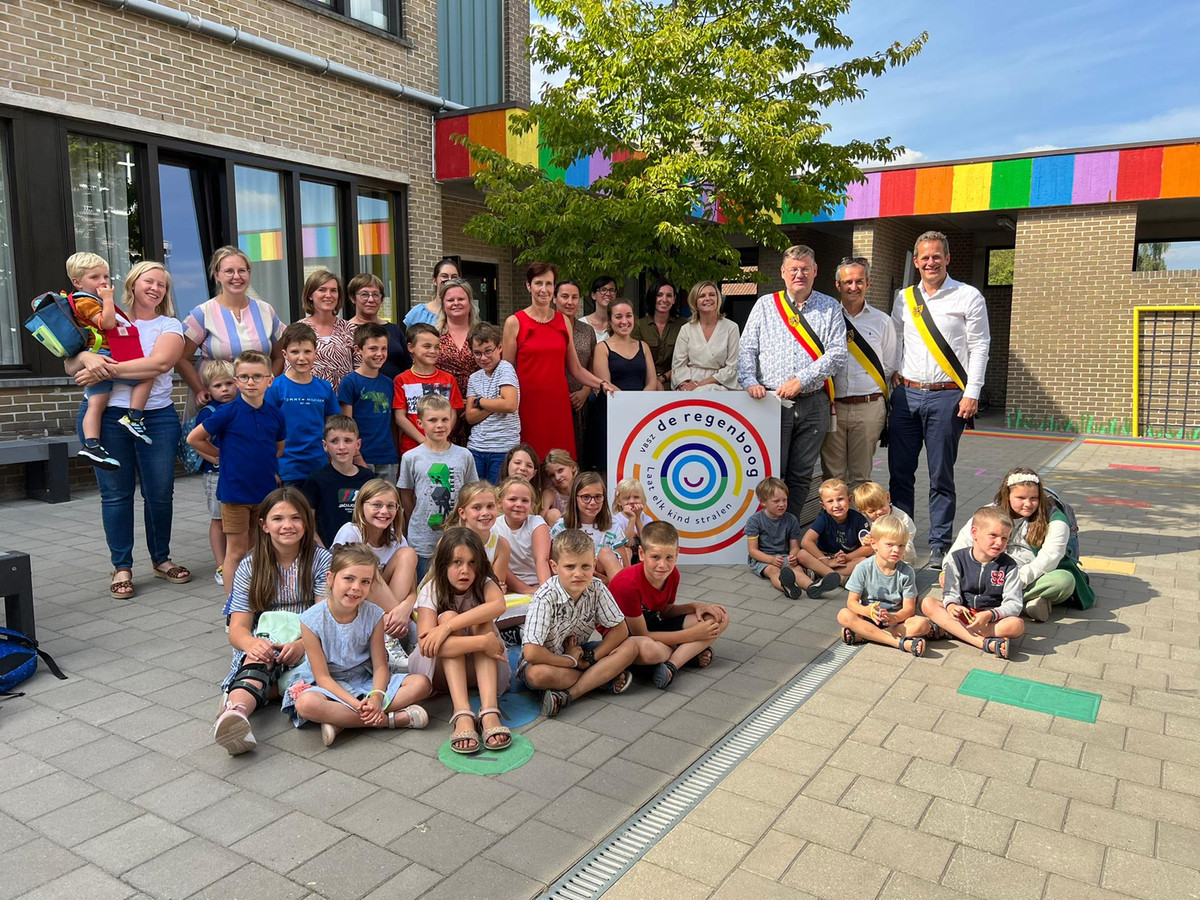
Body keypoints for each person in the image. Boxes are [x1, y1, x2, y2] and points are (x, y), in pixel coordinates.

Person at [70, 262, 190, 599]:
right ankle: (121, 566)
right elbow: (69, 361)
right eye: (149, 281)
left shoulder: (170, 324)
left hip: (156, 418)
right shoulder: (107, 315)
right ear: (134, 284)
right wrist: (85, 357)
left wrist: (104, 367)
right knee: (115, 494)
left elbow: (160, 363)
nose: (155, 288)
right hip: (107, 416)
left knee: (159, 492)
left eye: (162, 285)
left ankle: (161, 559)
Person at [889, 230, 991, 569]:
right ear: (916, 262)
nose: (930, 262)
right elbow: (896, 343)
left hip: (947, 397)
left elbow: (979, 347)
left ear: (947, 258)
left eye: (936, 256)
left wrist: (972, 391)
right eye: (924, 257)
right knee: (900, 473)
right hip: (906, 395)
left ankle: (938, 544)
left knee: (940, 475)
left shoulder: (968, 296)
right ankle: (901, 539)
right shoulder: (903, 298)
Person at [212, 488, 331, 755]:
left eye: (295, 518)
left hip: (310, 637)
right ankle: (237, 714)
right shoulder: (249, 566)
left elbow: (325, 617)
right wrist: (252, 643)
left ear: (306, 523)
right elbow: (238, 628)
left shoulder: (322, 561)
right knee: (260, 657)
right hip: (267, 637)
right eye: (278, 519)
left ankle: (240, 695)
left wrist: (302, 644)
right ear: (264, 525)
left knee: (306, 672)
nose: (287, 525)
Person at [738, 245, 847, 521]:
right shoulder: (765, 305)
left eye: (805, 269)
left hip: (813, 403)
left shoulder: (830, 307)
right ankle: (767, 529)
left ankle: (792, 529)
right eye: (794, 269)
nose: (799, 274)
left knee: (801, 474)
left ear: (815, 271)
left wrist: (801, 380)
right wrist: (749, 380)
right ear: (783, 273)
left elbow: (837, 353)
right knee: (773, 473)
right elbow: (747, 348)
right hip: (771, 403)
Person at [287, 543, 432, 746]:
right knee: (306, 704)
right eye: (348, 579)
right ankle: (390, 720)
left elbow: (380, 665)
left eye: (365, 582)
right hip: (330, 685)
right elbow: (322, 677)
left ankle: (341, 722)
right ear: (330, 579)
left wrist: (375, 698)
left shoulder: (373, 614)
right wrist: (357, 704)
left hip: (366, 678)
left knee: (421, 684)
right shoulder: (310, 620)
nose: (356, 587)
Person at [188, 349, 287, 603]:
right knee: (236, 551)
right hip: (235, 493)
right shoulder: (227, 412)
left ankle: (257, 595)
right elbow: (194, 438)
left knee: (259, 550)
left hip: (265, 494)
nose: (250, 382)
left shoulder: (275, 413)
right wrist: (220, 456)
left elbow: (278, 448)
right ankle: (234, 604)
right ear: (237, 380)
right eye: (243, 377)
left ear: (270, 379)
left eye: (257, 376)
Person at [409, 528, 512, 755]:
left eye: (472, 562)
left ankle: (489, 711)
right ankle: (462, 713)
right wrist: (482, 642)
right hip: (437, 672)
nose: (465, 570)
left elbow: (498, 606)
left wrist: (447, 628)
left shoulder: (485, 583)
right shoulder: (432, 588)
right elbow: (428, 647)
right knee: (447, 614)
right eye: (457, 562)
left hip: (480, 672)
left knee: (480, 621)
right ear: (444, 563)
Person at [519, 528, 639, 717]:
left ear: (594, 565)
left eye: (585, 566)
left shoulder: (596, 587)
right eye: (570, 567)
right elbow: (532, 652)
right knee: (537, 675)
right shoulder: (545, 597)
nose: (578, 574)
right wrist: (570, 660)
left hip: (582, 655)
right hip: (549, 660)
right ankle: (601, 680)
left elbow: (620, 630)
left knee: (632, 645)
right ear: (554, 566)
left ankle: (569, 695)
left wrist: (590, 658)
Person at [947, 468, 1092, 622]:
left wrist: (1017, 581)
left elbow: (1049, 558)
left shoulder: (1055, 518)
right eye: (1021, 498)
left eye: (1034, 498)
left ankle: (989, 602)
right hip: (993, 574)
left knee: (1064, 581)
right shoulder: (992, 511)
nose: (1028, 504)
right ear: (1007, 495)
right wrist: (947, 569)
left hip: (1028, 577)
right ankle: (1024, 604)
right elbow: (965, 540)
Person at [502, 262, 612, 460]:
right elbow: (506, 372)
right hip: (527, 405)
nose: (543, 289)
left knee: (560, 462)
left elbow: (576, 369)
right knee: (530, 461)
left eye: (549, 284)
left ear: (553, 289)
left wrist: (603, 384)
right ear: (529, 286)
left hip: (557, 405)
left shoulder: (562, 321)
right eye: (538, 283)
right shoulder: (515, 322)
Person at [59, 252, 154, 467]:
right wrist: (108, 299)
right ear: (77, 282)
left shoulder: (84, 300)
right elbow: (107, 323)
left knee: (96, 404)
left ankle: (92, 445)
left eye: (106, 276)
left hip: (97, 353)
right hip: (104, 354)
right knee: (146, 376)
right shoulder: (85, 301)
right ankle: (134, 417)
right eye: (95, 278)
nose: (103, 282)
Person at [609, 521, 728, 688]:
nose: (662, 565)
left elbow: (666, 612)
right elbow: (643, 634)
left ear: (677, 555)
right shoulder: (627, 584)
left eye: (669, 557)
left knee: (719, 617)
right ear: (642, 554)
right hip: (628, 639)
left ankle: (671, 665)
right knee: (651, 651)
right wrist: (692, 635)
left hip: (654, 627)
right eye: (655, 557)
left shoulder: (673, 575)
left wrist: (696, 606)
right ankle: (685, 654)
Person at [821, 258, 897, 492]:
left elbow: (888, 365)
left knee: (861, 478)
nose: (853, 287)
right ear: (838, 285)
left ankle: (858, 527)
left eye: (859, 281)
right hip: (833, 406)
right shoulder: (825, 318)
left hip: (868, 406)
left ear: (868, 283)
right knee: (832, 477)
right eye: (847, 282)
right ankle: (833, 528)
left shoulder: (882, 321)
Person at [177, 246, 284, 408]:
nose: (236, 277)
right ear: (217, 275)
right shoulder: (203, 313)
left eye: (242, 271)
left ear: (249, 274)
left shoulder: (266, 311)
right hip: (217, 404)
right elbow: (181, 358)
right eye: (229, 271)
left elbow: (279, 356)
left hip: (258, 402)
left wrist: (269, 384)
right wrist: (199, 389)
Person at [921, 506, 1025, 659]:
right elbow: (951, 593)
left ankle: (952, 630)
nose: (999, 542)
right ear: (974, 533)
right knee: (927, 603)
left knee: (1017, 625)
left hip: (990, 619)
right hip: (964, 613)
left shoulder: (1009, 566)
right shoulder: (957, 559)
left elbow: (1014, 604)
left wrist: (991, 614)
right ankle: (984, 643)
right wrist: (952, 607)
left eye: (1004, 538)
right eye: (993, 535)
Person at [398, 394, 478, 579]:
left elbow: (471, 493)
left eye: (445, 419)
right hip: (422, 538)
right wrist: (415, 519)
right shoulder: (411, 457)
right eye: (432, 420)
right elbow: (406, 495)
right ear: (420, 423)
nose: (440, 425)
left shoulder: (464, 455)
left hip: (457, 535)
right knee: (423, 587)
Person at [331, 479, 419, 637]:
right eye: (377, 505)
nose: (384, 511)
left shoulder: (397, 539)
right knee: (367, 568)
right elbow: (338, 582)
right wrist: (400, 612)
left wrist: (405, 607)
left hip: (388, 606)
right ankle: (407, 630)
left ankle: (390, 626)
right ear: (362, 505)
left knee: (409, 553)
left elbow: (412, 590)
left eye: (390, 506)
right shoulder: (350, 532)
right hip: (355, 600)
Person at [836, 514, 929, 656]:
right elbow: (851, 602)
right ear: (874, 544)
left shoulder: (907, 571)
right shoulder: (863, 567)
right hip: (868, 618)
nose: (896, 550)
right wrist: (868, 611)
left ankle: (864, 635)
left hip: (895, 621)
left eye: (901, 545)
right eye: (890, 544)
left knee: (922, 625)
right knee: (843, 615)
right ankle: (900, 643)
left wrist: (894, 618)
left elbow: (909, 609)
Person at [266, 323, 340, 487]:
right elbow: (266, 431)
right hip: (287, 468)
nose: (302, 357)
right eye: (295, 352)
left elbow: (333, 426)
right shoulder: (275, 388)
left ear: (316, 352)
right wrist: (270, 469)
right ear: (285, 354)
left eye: (307, 351)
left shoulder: (325, 388)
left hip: (319, 465)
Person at [746, 477, 828, 600]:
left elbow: (794, 545)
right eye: (776, 501)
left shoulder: (791, 519)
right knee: (774, 571)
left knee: (796, 568)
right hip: (762, 559)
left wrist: (793, 556)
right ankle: (787, 587)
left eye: (784, 500)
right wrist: (771, 559)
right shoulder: (754, 521)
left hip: (784, 556)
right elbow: (753, 551)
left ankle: (812, 587)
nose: (782, 504)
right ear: (763, 501)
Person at [301, 416, 374, 548]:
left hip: (364, 553)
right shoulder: (316, 479)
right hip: (329, 551)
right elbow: (308, 522)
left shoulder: (368, 478)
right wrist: (323, 552)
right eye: (334, 441)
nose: (341, 447)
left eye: (348, 440)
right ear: (325, 445)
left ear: (358, 444)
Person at [338, 323, 399, 483]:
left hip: (388, 458)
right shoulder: (350, 382)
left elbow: (392, 422)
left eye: (383, 348)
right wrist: (356, 456)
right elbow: (347, 424)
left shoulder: (389, 383)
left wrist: (396, 454)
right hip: (361, 456)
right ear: (358, 350)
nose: (379, 354)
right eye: (373, 348)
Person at [196, 360, 238, 584]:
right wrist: (215, 457)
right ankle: (221, 564)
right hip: (216, 474)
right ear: (208, 389)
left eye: (229, 383)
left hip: (240, 472)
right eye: (218, 385)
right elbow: (197, 441)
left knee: (240, 517)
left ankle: (240, 560)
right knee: (218, 518)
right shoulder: (208, 413)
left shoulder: (243, 407)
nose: (225, 389)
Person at [393, 323, 464, 457]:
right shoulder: (402, 380)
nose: (433, 351)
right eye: (427, 346)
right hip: (412, 448)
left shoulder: (448, 379)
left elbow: (452, 413)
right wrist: (424, 441)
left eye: (437, 347)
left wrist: (441, 437)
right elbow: (400, 417)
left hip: (442, 447)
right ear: (411, 347)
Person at [464, 323, 520, 483]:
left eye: (488, 351)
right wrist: (496, 402)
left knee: (497, 496)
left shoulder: (505, 368)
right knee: (475, 495)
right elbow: (470, 417)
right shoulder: (474, 378)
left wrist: (481, 402)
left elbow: (509, 405)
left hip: (503, 448)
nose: (483, 358)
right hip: (476, 447)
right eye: (477, 353)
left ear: (500, 347)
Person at [549, 471, 625, 583]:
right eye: (586, 497)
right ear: (575, 498)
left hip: (606, 585)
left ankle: (625, 597)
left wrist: (609, 581)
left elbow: (626, 570)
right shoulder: (561, 526)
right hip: (572, 580)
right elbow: (553, 565)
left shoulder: (613, 527)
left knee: (606, 553)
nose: (593, 502)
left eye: (598, 497)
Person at [801, 478, 873, 585]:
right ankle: (840, 579)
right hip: (825, 557)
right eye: (830, 501)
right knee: (801, 554)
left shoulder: (858, 519)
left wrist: (846, 558)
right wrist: (827, 562)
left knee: (863, 561)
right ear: (823, 506)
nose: (836, 505)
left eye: (840, 499)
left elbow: (869, 547)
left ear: (849, 500)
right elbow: (806, 541)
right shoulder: (824, 518)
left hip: (847, 559)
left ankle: (820, 574)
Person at [435, 278, 481, 446]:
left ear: (470, 302)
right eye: (450, 300)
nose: (456, 303)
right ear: (443, 304)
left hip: (478, 410)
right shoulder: (434, 335)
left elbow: (494, 371)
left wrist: (475, 403)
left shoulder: (482, 333)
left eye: (461, 299)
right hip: (443, 410)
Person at [555, 280, 598, 456]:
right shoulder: (549, 327)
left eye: (575, 297)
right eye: (565, 296)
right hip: (555, 398)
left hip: (580, 400)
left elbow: (592, 366)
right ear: (554, 298)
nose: (570, 302)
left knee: (580, 449)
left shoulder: (587, 331)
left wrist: (585, 392)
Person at [672, 281, 740, 391]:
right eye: (702, 296)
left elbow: (732, 367)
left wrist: (700, 385)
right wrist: (685, 385)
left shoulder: (731, 328)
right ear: (695, 302)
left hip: (720, 386)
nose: (707, 298)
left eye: (712, 295)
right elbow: (678, 365)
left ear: (718, 298)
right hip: (689, 385)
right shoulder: (686, 329)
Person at [295, 269, 355, 392]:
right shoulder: (297, 330)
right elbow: (290, 371)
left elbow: (360, 374)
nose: (328, 295)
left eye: (333, 290)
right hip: (308, 400)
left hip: (343, 403)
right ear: (310, 295)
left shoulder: (351, 330)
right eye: (322, 290)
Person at [346, 273, 411, 380]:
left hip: (396, 391)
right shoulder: (345, 330)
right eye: (364, 294)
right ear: (353, 298)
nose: (371, 300)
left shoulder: (395, 330)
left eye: (376, 294)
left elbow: (407, 364)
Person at [448, 481, 512, 591]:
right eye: (477, 507)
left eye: (490, 506)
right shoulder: (449, 542)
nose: (485, 512)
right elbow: (445, 584)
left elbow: (496, 588)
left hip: (484, 599)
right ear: (463, 513)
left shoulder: (501, 545)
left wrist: (495, 590)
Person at [491, 477, 550, 594]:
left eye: (525, 501)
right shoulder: (494, 527)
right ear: (499, 503)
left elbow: (542, 559)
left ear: (531, 505)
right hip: (509, 586)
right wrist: (525, 589)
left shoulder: (537, 523)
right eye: (512, 499)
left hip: (539, 581)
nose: (519, 504)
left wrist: (545, 591)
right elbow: (501, 567)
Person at [593, 298, 658, 392]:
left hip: (642, 404)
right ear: (610, 321)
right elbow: (605, 383)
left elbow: (652, 382)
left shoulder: (644, 346)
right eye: (618, 317)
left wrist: (641, 400)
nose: (624, 321)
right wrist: (627, 401)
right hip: (612, 403)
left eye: (628, 316)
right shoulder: (602, 348)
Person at [634, 279, 685, 391]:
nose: (664, 299)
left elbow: (688, 361)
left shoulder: (684, 326)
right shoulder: (638, 325)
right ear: (653, 298)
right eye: (659, 295)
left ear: (674, 299)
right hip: (644, 383)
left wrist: (662, 379)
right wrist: (653, 381)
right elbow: (634, 360)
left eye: (669, 295)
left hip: (676, 383)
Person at [852, 481, 918, 568]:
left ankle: (901, 571)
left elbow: (908, 542)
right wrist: (865, 540)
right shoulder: (863, 520)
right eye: (872, 511)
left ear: (888, 498)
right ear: (863, 512)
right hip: (875, 558)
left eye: (881, 506)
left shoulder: (901, 518)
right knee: (858, 560)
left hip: (901, 557)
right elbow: (862, 536)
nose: (879, 512)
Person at [404, 257, 460, 328]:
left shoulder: (465, 311)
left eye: (454, 277)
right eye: (444, 276)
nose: (449, 280)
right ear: (434, 281)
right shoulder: (418, 313)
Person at [611, 478, 652, 566]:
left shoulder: (647, 519)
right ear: (619, 501)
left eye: (636, 497)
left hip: (642, 554)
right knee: (627, 551)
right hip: (625, 557)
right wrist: (632, 519)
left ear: (642, 499)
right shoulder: (616, 520)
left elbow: (648, 542)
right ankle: (628, 576)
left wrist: (637, 519)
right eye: (626, 498)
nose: (632, 501)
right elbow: (626, 544)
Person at [541, 449, 580, 526]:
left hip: (581, 531)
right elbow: (540, 520)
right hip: (560, 536)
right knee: (553, 514)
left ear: (573, 467)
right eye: (552, 475)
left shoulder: (582, 487)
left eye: (560, 470)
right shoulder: (550, 493)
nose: (557, 477)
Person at [585, 275, 618, 341]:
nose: (608, 294)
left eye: (611, 290)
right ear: (593, 295)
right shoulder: (582, 324)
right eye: (603, 290)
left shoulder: (620, 323)